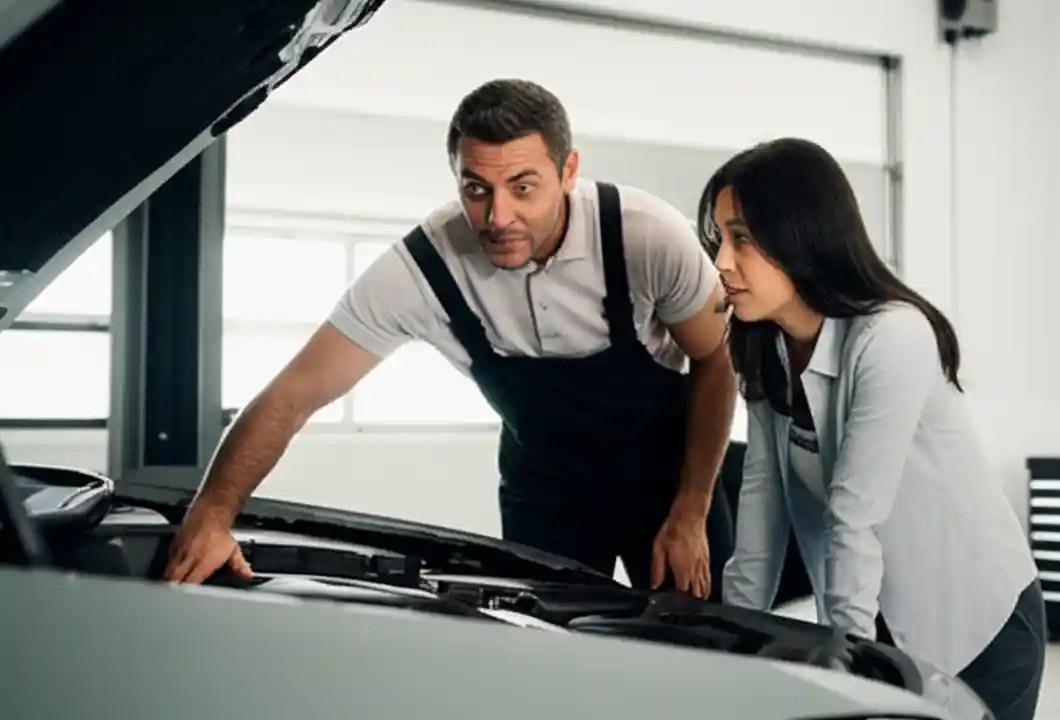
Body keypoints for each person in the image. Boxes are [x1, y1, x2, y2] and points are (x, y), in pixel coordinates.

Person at [164, 78, 738, 601]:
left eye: (523, 187)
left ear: (568, 172)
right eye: (477, 189)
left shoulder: (645, 236)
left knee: (702, 643)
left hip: (670, 479)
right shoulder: (424, 268)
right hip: (546, 492)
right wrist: (212, 515)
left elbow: (716, 360)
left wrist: (692, 510)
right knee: (543, 651)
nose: (498, 216)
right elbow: (294, 393)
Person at [701, 137, 1046, 720]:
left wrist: (850, 668)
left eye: (742, 240)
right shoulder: (767, 346)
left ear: (802, 235)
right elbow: (761, 510)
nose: (722, 262)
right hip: (881, 612)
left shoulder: (892, 337)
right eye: (718, 240)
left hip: (978, 622)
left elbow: (853, 516)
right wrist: (734, 648)